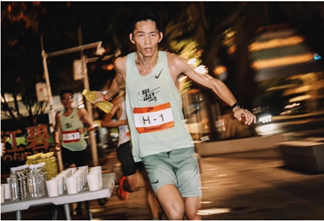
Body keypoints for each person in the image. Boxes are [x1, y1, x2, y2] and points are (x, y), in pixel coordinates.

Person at [88, 8, 256, 220]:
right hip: (152, 154)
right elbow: (118, 83)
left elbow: (211, 83)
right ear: (132, 38)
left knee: (192, 213)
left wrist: (236, 106)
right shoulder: (123, 65)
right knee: (175, 214)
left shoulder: (173, 63)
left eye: (152, 35)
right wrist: (106, 96)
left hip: (182, 150)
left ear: (160, 36)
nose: (147, 41)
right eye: (141, 35)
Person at [101, 92, 162, 219]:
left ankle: (155, 217)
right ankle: (124, 185)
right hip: (126, 145)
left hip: (143, 144)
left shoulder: (144, 97)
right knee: (133, 186)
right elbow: (105, 123)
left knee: (150, 182)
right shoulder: (118, 101)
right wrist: (124, 121)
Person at [53, 89, 96, 215]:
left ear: (73, 99)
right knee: (72, 174)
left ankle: (83, 203)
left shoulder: (80, 111)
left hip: (80, 147)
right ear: (61, 101)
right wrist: (56, 142)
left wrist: (84, 130)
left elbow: (92, 126)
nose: (67, 101)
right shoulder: (59, 115)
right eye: (64, 98)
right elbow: (56, 130)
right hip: (67, 148)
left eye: (69, 97)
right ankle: (74, 204)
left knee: (81, 174)